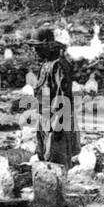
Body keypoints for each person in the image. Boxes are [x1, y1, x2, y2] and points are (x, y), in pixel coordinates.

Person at [27, 27, 78, 165]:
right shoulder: (45, 65)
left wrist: (58, 126)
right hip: (44, 118)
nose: (35, 51)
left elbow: (63, 97)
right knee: (44, 157)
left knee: (57, 161)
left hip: (57, 121)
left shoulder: (59, 66)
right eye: (34, 48)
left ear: (48, 46)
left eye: (38, 48)